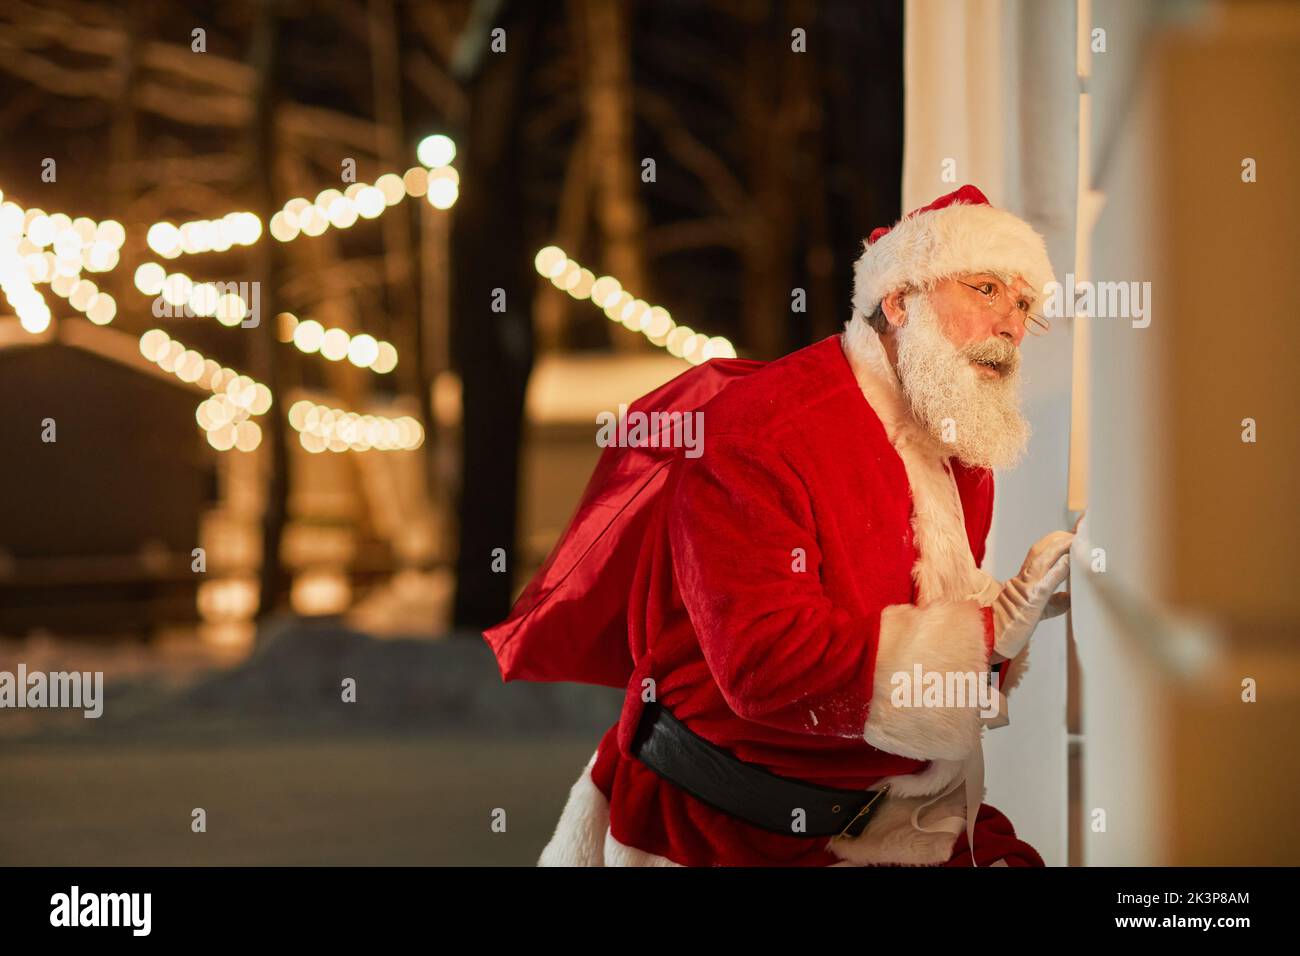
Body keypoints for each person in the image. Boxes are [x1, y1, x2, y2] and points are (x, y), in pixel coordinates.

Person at [494, 184, 1074, 867]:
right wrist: (985, 632)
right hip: (726, 834)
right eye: (985, 288)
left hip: (908, 812)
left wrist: (996, 637)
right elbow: (765, 665)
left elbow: (920, 632)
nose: (1008, 323)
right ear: (899, 301)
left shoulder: (959, 440)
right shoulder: (761, 431)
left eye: (1024, 305)